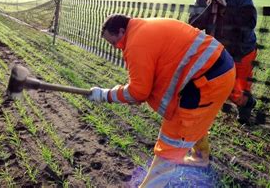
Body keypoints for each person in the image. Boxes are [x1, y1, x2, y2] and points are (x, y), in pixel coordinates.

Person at [88, 14, 235, 187]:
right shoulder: (145, 27)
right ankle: (200, 158)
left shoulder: (136, 43)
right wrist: (138, 93)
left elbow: (138, 92)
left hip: (204, 83)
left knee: (171, 144)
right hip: (220, 69)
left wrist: (105, 95)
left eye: (114, 43)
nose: (116, 48)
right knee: (194, 120)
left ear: (121, 31)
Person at [188, 0, 257, 124]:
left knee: (238, 93)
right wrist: (211, 7)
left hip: (242, 51)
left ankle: (247, 105)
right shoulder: (201, 0)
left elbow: (250, 22)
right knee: (218, 86)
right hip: (217, 52)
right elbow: (193, 23)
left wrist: (225, 9)